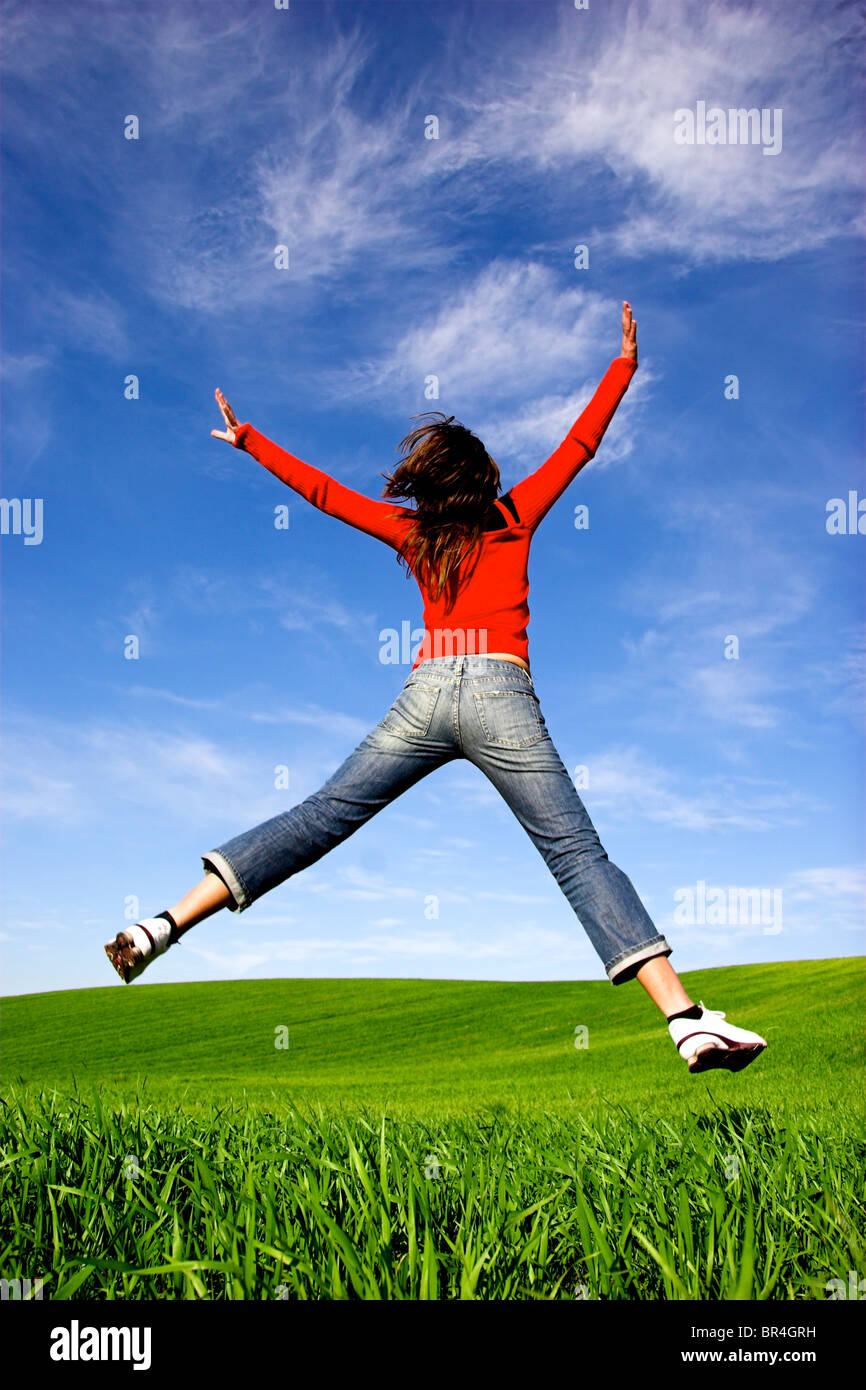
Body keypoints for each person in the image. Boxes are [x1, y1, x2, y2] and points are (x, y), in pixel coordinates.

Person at [105, 302, 767, 1074]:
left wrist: (251, 441)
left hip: (425, 692)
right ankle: (685, 1020)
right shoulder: (516, 515)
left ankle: (163, 924)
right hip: (499, 695)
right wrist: (623, 365)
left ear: (428, 485)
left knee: (319, 815)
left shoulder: (415, 536)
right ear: (483, 480)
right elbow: (580, 445)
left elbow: (324, 494)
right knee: (577, 855)